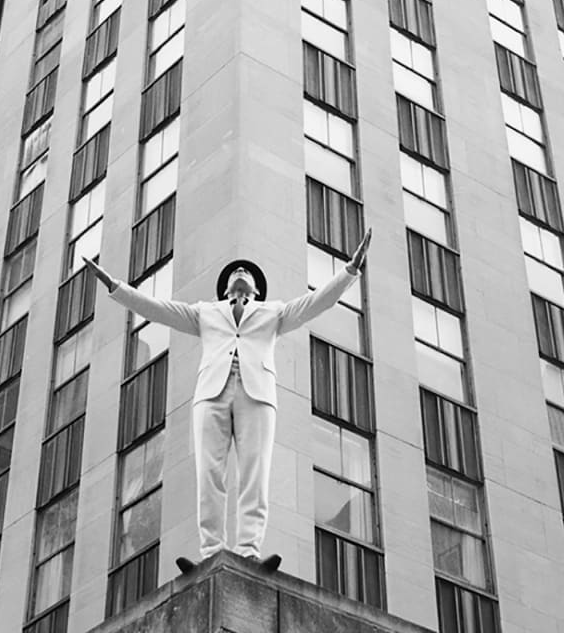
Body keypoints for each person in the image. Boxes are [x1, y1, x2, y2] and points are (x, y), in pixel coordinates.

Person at [83, 228, 372, 571]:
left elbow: (315, 303)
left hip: (257, 396)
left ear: (257, 290)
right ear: (224, 289)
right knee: (209, 474)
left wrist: (350, 271)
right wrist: (115, 287)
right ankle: (210, 553)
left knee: (254, 473)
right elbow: (159, 309)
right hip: (211, 395)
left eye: (247, 273)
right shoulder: (205, 313)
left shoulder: (273, 313)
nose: (241, 274)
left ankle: (249, 550)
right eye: (236, 272)